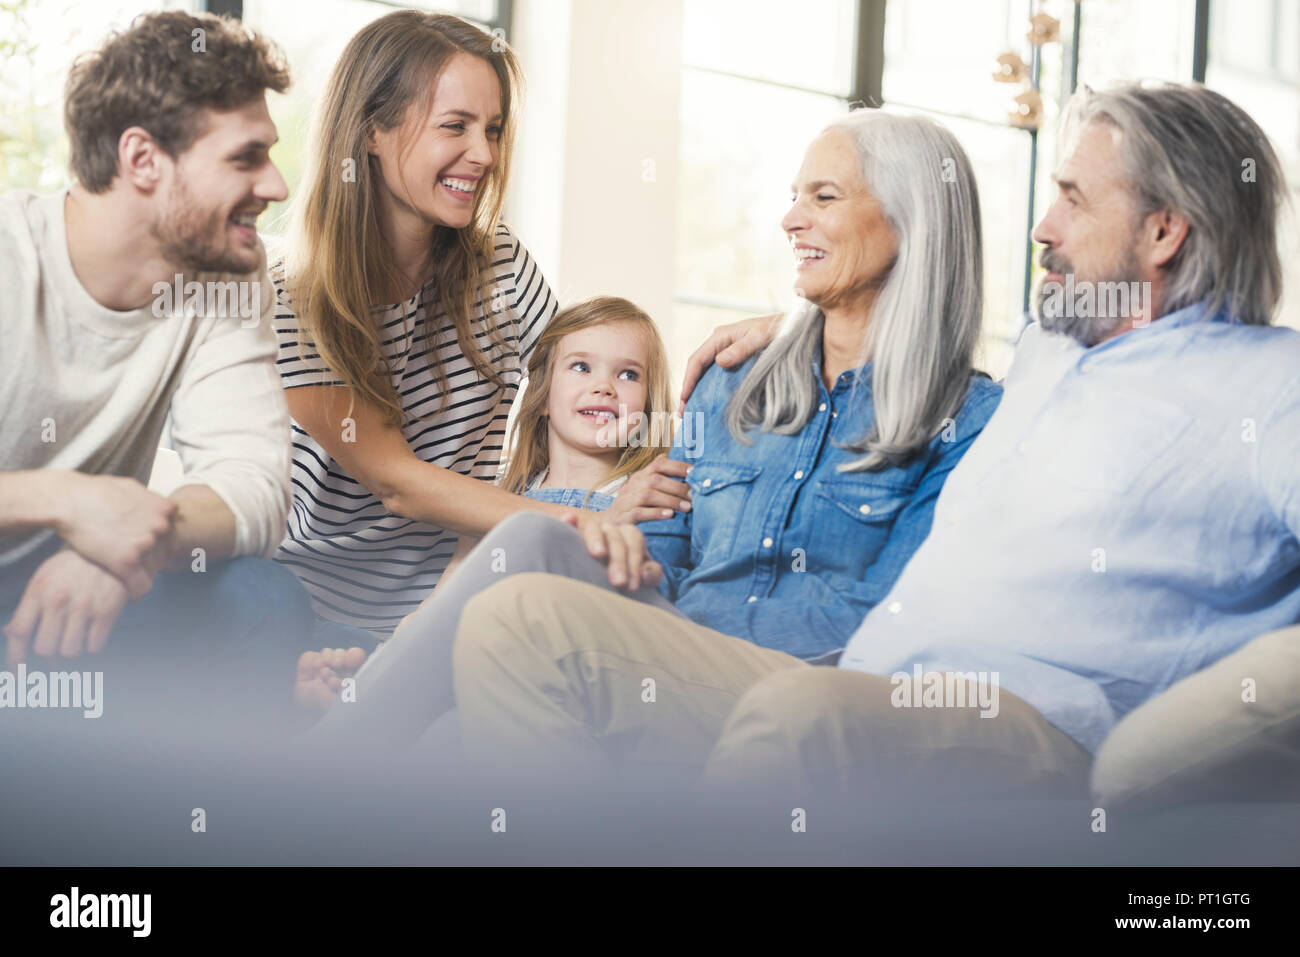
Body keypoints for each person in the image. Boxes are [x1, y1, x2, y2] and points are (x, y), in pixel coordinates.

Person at [456, 83, 1300, 797]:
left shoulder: (1270, 386)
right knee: (515, 618)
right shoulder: (1054, 348)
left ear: (1163, 231)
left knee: (802, 718)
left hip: (1023, 714)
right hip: (867, 677)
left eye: (1074, 200)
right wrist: (789, 332)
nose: (1042, 229)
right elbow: (892, 330)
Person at [336, 107, 1001, 750]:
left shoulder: (970, 419)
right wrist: (632, 555)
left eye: (822, 198)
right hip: (667, 639)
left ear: (911, 220)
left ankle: (316, 773)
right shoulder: (734, 379)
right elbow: (663, 546)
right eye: (794, 197)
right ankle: (332, 751)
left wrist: (692, 628)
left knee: (504, 651)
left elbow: (886, 613)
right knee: (527, 549)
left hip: (801, 680)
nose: (790, 220)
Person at [271, 10, 771, 651]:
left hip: (472, 594)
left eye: (494, 130)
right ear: (372, 128)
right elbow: (398, 484)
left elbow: (585, 378)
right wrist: (588, 520)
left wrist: (783, 337)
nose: (483, 155)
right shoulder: (286, 294)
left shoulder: (496, 264)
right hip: (321, 617)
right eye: (455, 126)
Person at [0, 11, 317, 732]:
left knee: (263, 598)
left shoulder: (224, 274)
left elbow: (255, 486)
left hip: (76, 583)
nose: (276, 186)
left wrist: (126, 544)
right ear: (142, 159)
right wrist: (68, 503)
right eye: (247, 157)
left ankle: (199, 832)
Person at [296, 295, 675, 708]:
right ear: (544, 396)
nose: (604, 386)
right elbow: (443, 601)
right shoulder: (498, 496)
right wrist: (386, 661)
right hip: (461, 659)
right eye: (581, 367)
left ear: (648, 409)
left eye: (628, 374)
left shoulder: (639, 496)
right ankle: (357, 690)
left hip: (547, 668)